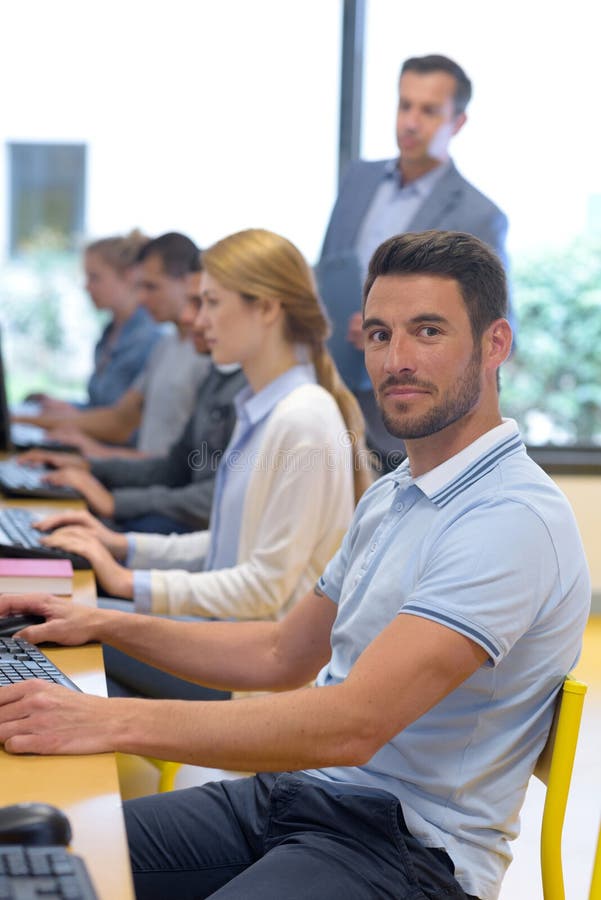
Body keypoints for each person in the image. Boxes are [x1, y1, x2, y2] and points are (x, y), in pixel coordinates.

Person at [0, 231, 590, 900]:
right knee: (37, 858)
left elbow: (354, 724)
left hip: (403, 852)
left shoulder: (510, 518)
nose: (396, 359)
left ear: (494, 344)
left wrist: (106, 720)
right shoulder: (395, 494)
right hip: (299, 797)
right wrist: (103, 623)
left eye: (428, 331)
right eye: (379, 335)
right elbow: (282, 652)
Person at [317, 53, 511, 470]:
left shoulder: (480, 216)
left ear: (457, 122)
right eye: (405, 105)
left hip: (408, 422)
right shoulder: (357, 181)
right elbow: (327, 267)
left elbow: (494, 327)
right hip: (332, 398)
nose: (410, 122)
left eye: (428, 110)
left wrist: (394, 328)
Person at [13, 232, 210, 459]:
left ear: (187, 282)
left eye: (151, 287)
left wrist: (95, 454)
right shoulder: (166, 346)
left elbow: (123, 431)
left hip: (146, 475)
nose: (142, 297)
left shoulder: (201, 354)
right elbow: (120, 418)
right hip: (140, 472)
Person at [25, 230, 164, 413]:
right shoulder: (110, 332)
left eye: (94, 277)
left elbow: (123, 421)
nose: (86, 286)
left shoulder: (148, 337)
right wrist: (66, 407)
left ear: (130, 275)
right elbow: (99, 407)